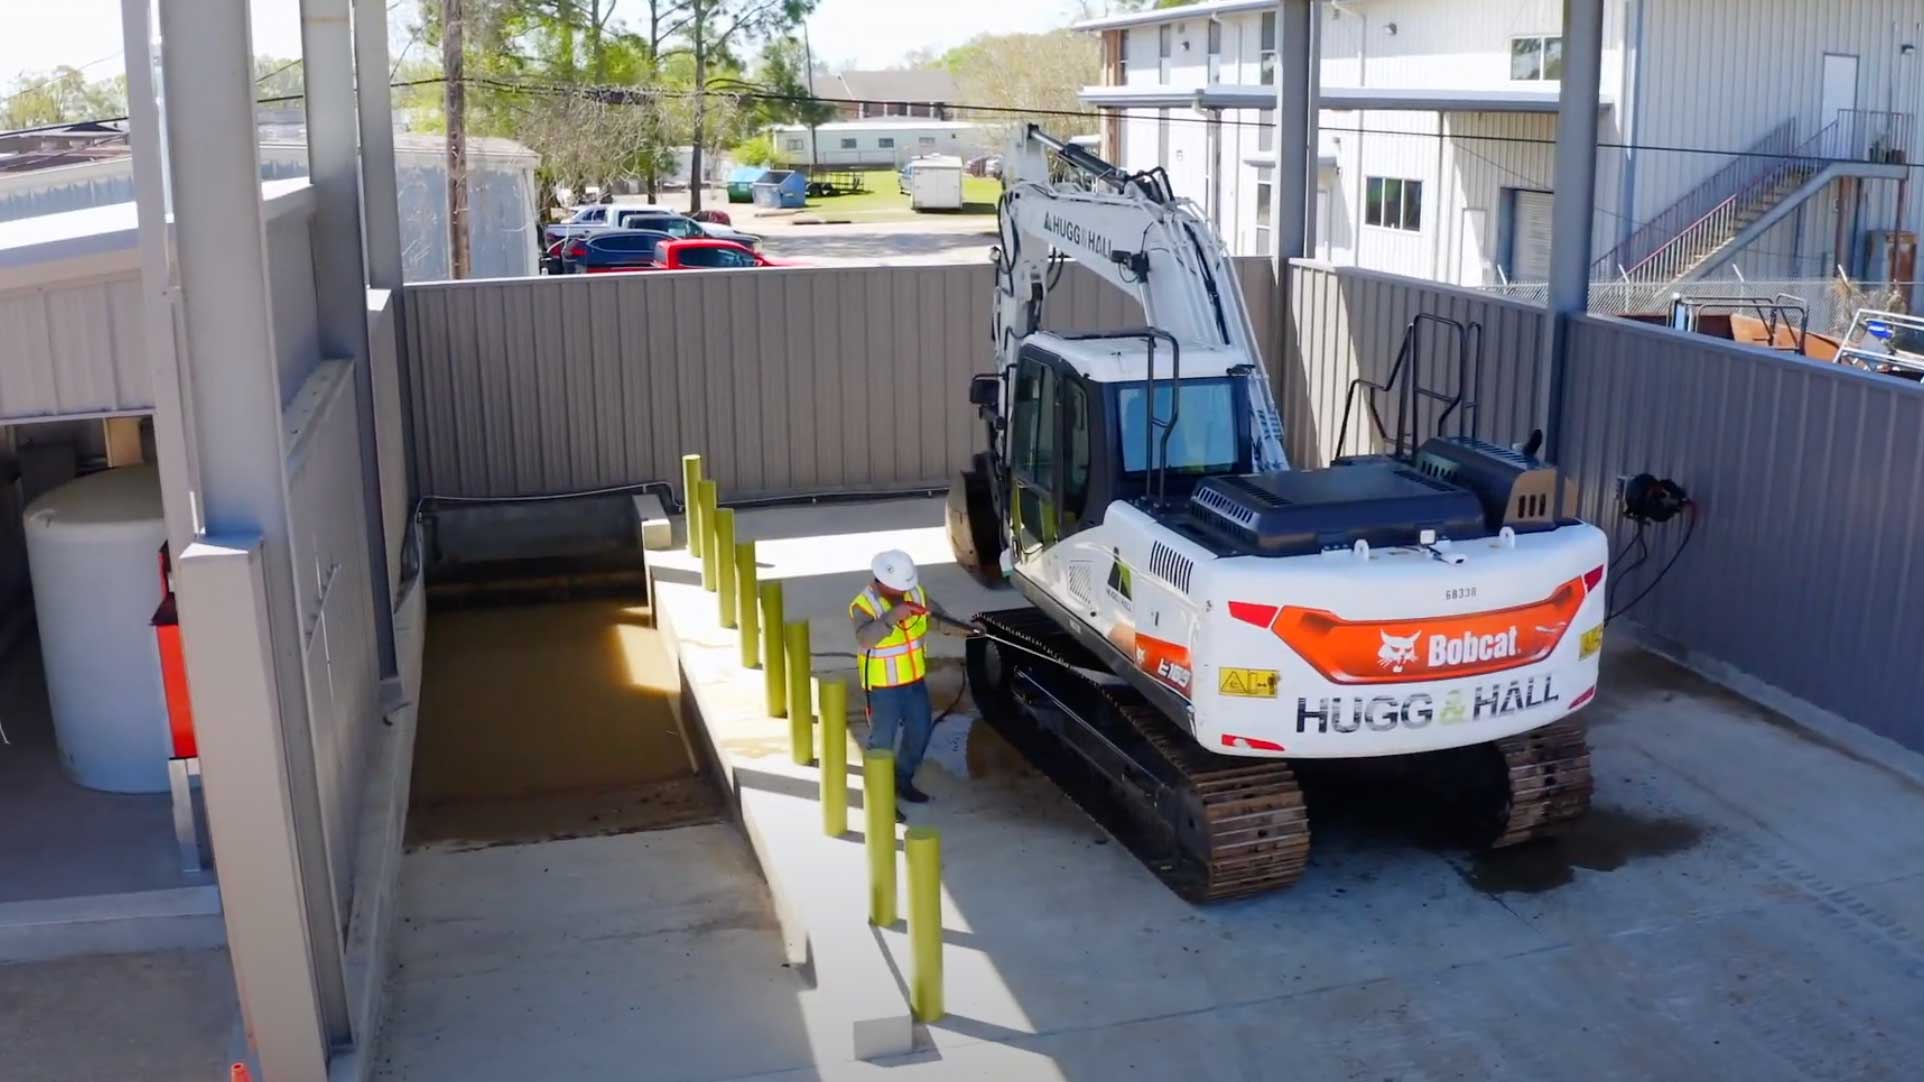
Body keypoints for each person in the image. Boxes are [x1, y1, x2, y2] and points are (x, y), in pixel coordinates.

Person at [849, 550, 971, 806]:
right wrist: (892, 617)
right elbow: (866, 639)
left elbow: (938, 620)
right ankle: (879, 800)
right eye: (899, 587)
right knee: (882, 742)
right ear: (882, 581)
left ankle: (902, 779)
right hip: (883, 688)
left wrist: (966, 630)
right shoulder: (864, 604)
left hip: (914, 682)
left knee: (920, 732)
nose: (904, 591)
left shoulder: (916, 595)